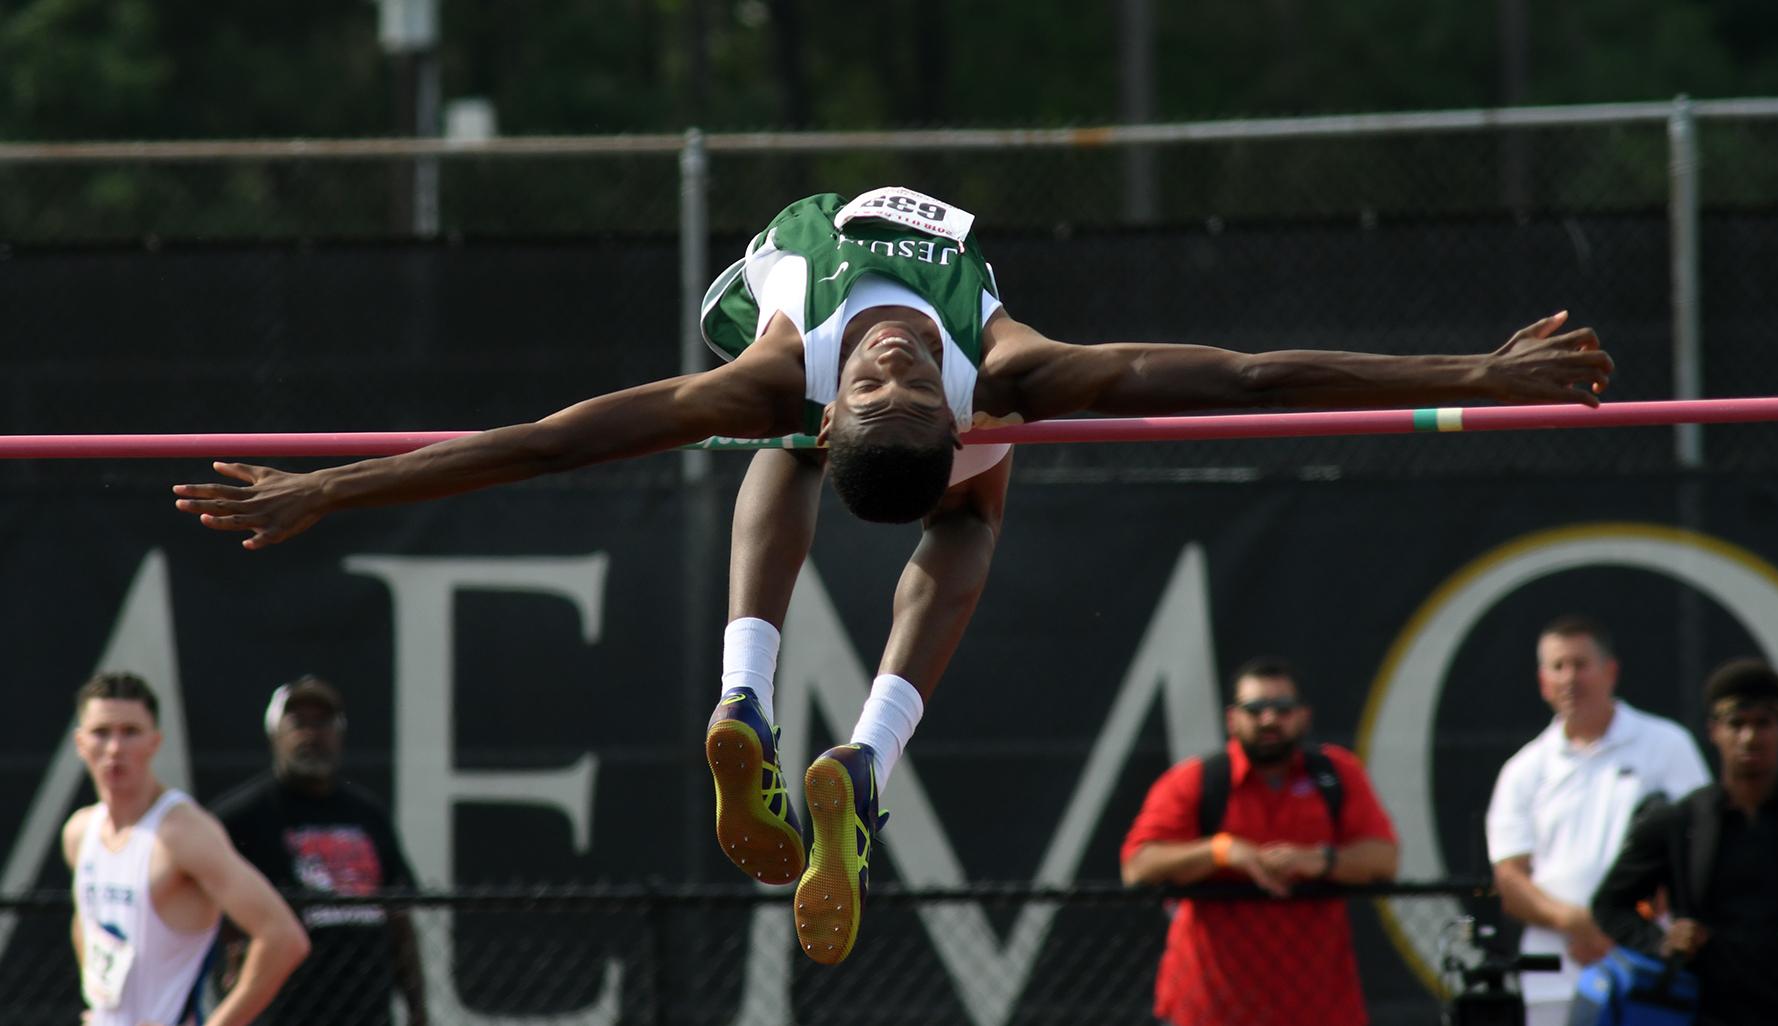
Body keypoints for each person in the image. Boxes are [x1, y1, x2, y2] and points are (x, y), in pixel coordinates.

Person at [173, 186, 1612, 964]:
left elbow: (1252, 370)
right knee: (913, 488)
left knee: (903, 477)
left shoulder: (927, 385)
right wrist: (328, 484)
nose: (897, 356)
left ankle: (822, 741)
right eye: (887, 370)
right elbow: (548, 442)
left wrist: (1475, 373)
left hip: (806, 385)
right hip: (779, 361)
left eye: (904, 369)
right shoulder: (928, 378)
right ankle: (821, 742)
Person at [1119, 658, 1400, 1026]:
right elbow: (1137, 866)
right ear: (1232, 719)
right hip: (1208, 1008)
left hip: (1319, 1008)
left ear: (1303, 716)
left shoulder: (1336, 774)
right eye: (1255, 710)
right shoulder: (1196, 781)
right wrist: (1221, 851)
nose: (1269, 720)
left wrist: (1322, 860)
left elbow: (1384, 858)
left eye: (1282, 709)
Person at [1485, 615, 1711, 1026]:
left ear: (1610, 671)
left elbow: (1701, 844)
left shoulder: (1667, 745)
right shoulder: (1522, 769)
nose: (1570, 678)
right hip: (1553, 978)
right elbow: (1510, 880)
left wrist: (1623, 924)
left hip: (1649, 970)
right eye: (1558, 666)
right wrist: (1575, 923)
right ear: (1543, 682)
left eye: (1580, 664)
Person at [62, 672, 309, 1026]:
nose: (115, 749)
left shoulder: (184, 833)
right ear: (80, 742)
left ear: (154, 741)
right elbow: (85, 920)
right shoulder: (80, 832)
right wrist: (99, 1006)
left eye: (130, 732)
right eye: (101, 732)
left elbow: (283, 938)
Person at [1590, 658, 1778, 1025]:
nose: (1749, 737)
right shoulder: (1681, 821)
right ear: (1714, 731)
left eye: (1763, 724)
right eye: (1737, 724)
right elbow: (1609, 904)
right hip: (1705, 1007)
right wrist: (1662, 942)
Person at [210, 675, 427, 1026]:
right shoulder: (238, 819)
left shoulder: (368, 814)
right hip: (281, 1014)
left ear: (340, 734)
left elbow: (400, 921)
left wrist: (419, 1012)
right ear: (274, 733)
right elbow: (208, 917)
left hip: (366, 1014)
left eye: (323, 723)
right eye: (298, 723)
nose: (312, 734)